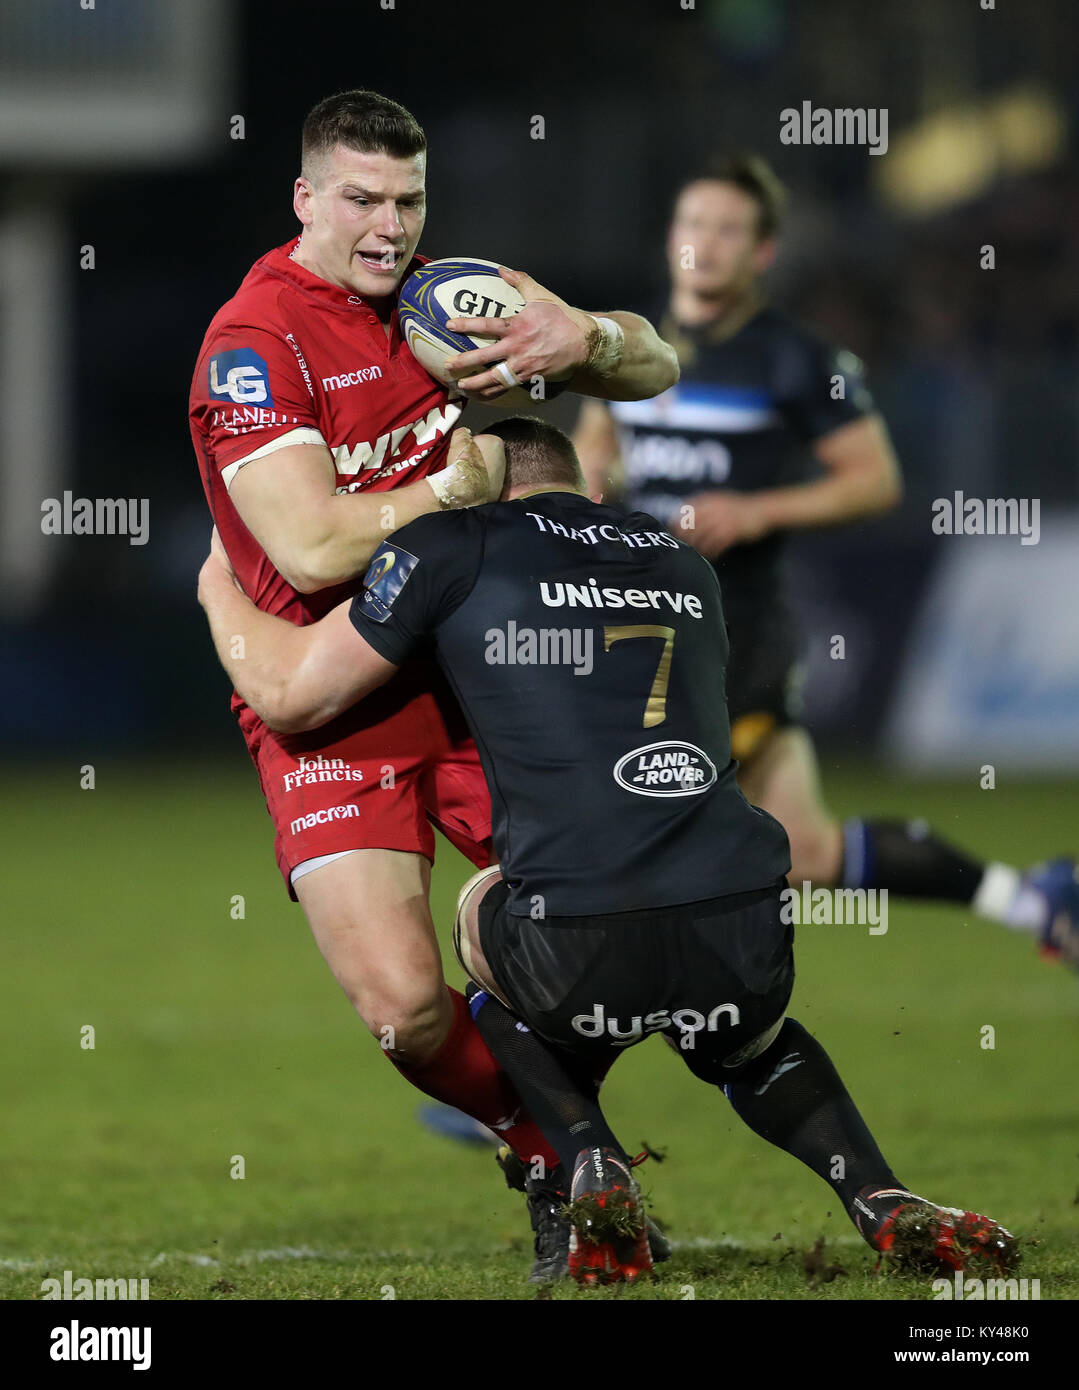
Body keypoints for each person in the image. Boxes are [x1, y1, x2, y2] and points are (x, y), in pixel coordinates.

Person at [198, 415, 1018, 1287]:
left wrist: (222, 585)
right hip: (742, 916)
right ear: (588, 488)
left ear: (473, 478)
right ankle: (878, 1196)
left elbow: (291, 694)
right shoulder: (680, 562)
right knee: (746, 1044)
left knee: (485, 921)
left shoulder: (450, 546)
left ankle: (589, 1160)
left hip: (579, 940)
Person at [187, 86, 680, 1251]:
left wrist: (589, 339)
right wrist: (448, 490)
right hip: (330, 696)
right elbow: (306, 543)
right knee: (406, 1009)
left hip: (474, 678)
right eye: (361, 198)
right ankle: (548, 1148)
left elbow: (652, 367)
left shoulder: (447, 299)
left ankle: (583, 1145)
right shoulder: (254, 343)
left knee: (617, 921)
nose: (389, 225)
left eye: (408, 199)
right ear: (305, 197)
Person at [572, 154, 1079, 960]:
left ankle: (519, 1067)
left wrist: (756, 508)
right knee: (803, 852)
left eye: (728, 229)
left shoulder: (797, 360)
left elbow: (874, 481)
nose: (705, 242)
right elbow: (596, 449)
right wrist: (586, 494)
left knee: (625, 844)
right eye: (693, 223)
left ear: (763, 252)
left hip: (735, 636)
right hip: (638, 634)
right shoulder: (628, 345)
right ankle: (1033, 900)